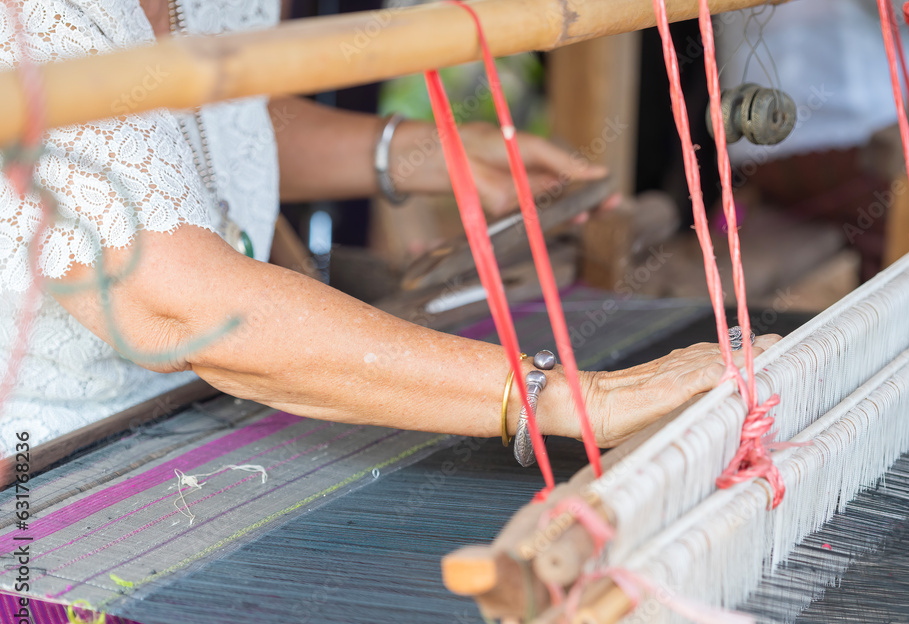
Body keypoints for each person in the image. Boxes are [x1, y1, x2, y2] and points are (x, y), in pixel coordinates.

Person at [0, 0, 777, 462]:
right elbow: (180, 304)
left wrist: (413, 151)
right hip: (55, 479)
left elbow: (197, 124)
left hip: (208, 417)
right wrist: (570, 399)